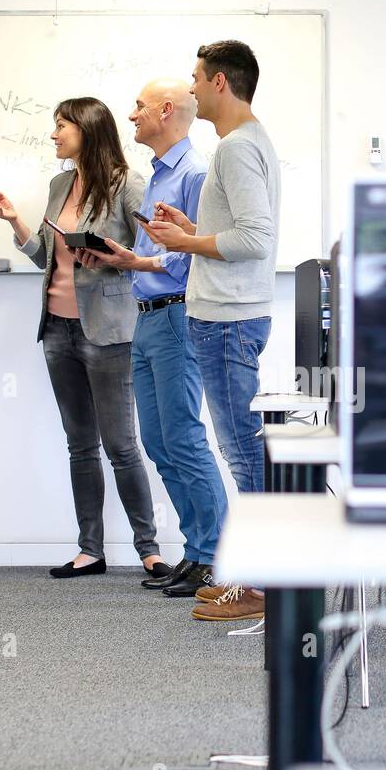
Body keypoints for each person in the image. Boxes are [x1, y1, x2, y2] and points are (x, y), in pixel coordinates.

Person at [0, 97, 168, 580]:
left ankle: (149, 549)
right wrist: (15, 222)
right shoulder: (59, 184)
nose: (54, 134)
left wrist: (111, 256)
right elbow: (46, 254)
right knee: (80, 445)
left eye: (61, 126)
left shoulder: (127, 185)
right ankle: (90, 549)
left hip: (109, 331)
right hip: (57, 329)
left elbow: (154, 253)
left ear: (87, 129)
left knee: (122, 446)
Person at [144, 40, 280, 621]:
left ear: (220, 82)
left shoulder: (238, 149)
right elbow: (237, 231)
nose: (192, 89)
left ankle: (261, 586)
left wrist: (186, 243)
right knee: (241, 451)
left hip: (228, 320)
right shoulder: (240, 145)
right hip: (226, 317)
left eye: (197, 79)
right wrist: (193, 227)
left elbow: (255, 240)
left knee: (244, 455)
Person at [80, 79, 228, 598]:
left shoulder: (196, 174)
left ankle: (219, 558)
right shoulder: (158, 177)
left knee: (184, 438)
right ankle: (198, 551)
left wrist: (135, 260)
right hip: (145, 318)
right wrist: (124, 258)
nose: (132, 113)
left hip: (177, 316)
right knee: (159, 441)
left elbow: (194, 254)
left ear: (166, 111)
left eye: (140, 106)